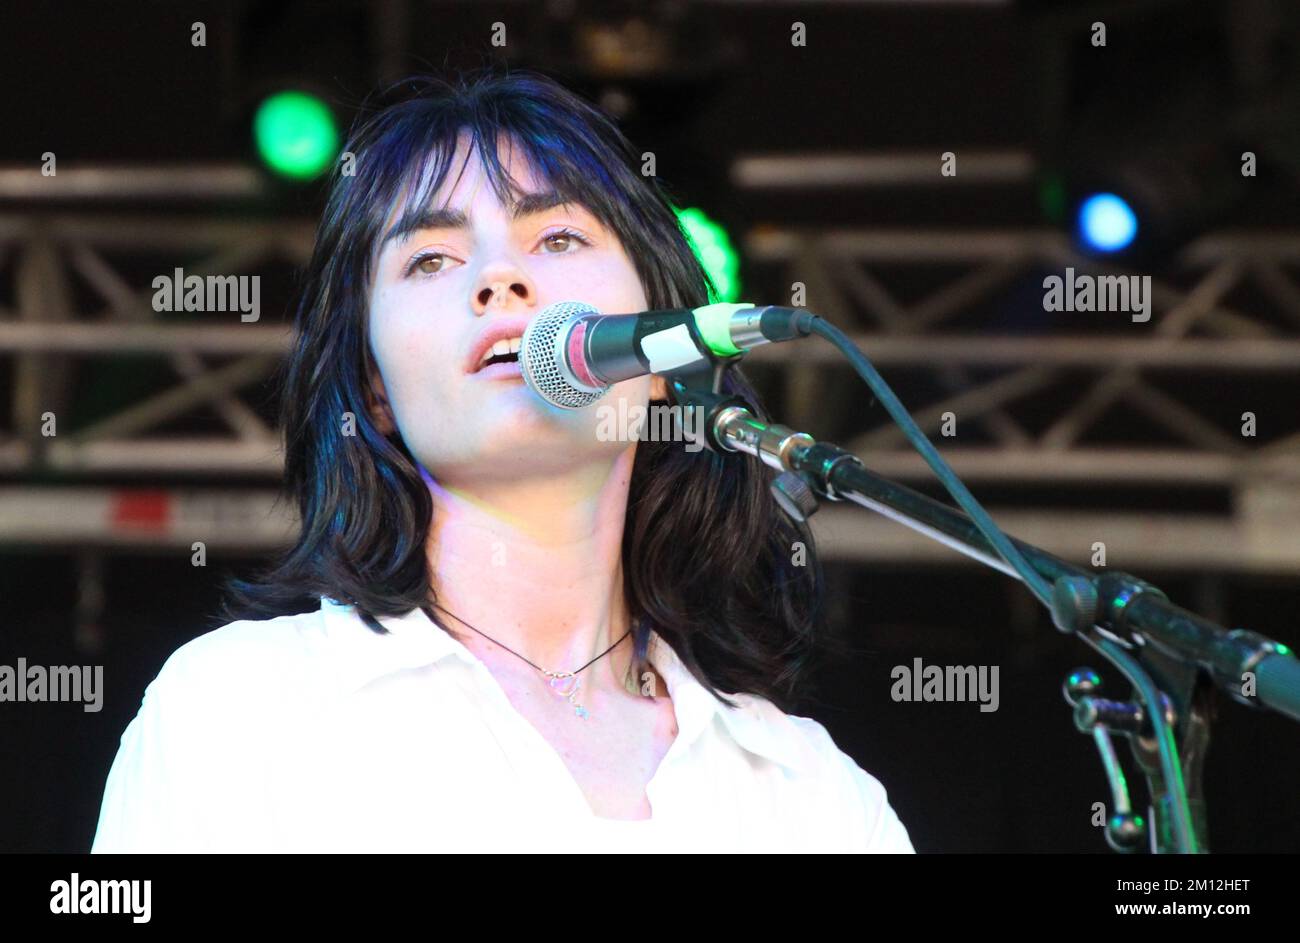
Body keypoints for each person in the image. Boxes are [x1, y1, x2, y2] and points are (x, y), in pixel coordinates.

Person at [90, 68, 914, 853]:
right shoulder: (236, 714)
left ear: (664, 355)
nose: (499, 276)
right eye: (431, 259)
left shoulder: (810, 794)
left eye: (557, 236)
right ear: (375, 387)